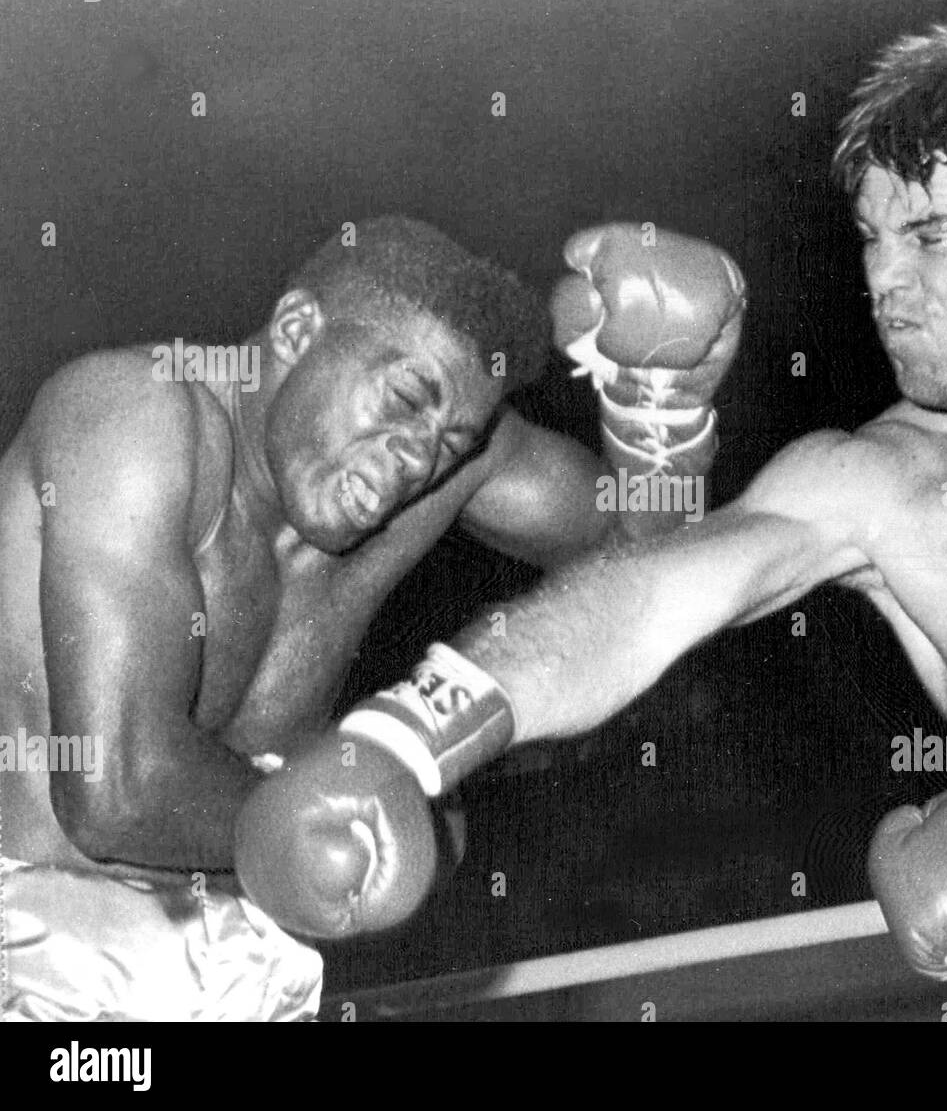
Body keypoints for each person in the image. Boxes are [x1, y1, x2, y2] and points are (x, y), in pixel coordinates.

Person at [243, 0, 947, 1021]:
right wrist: (402, 737)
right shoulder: (876, 484)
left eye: (929, 237)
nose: (884, 279)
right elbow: (643, 600)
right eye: (872, 239)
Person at [0, 215, 746, 1020]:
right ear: (296, 330)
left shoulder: (439, 462)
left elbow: (647, 566)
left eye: (447, 443)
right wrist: (375, 799)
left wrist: (659, 416)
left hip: (256, 960)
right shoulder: (131, 413)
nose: (413, 459)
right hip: (42, 938)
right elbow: (114, 793)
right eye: (401, 399)